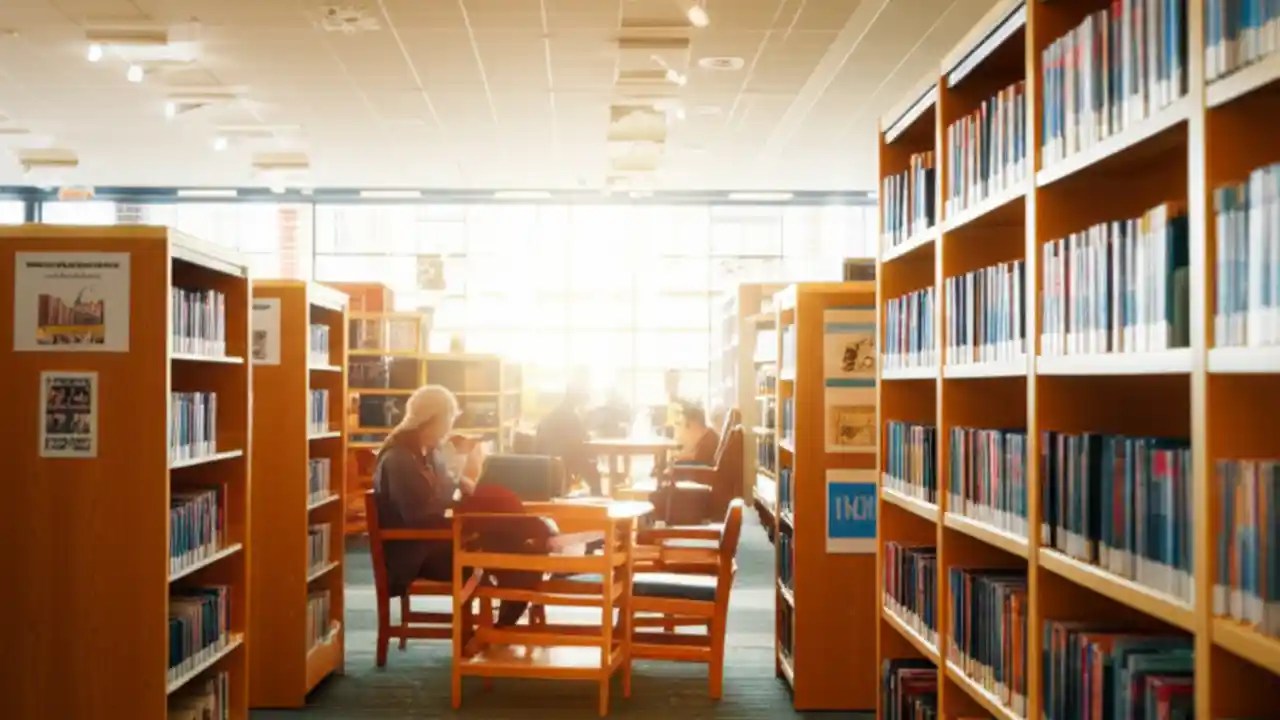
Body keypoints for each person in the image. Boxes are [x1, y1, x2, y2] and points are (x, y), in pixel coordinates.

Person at [372, 385, 481, 598]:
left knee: (489, 540)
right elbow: (416, 515)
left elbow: (446, 489)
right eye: (448, 421)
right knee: (483, 553)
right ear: (433, 420)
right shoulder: (398, 459)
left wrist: (461, 483)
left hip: (429, 544)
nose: (449, 429)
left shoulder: (430, 452)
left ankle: (513, 597)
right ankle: (510, 601)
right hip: (413, 555)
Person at [535, 383, 602, 495]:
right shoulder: (570, 415)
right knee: (594, 475)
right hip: (565, 456)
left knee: (585, 462)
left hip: (547, 456)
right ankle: (598, 501)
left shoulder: (555, 413)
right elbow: (583, 438)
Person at [673, 402, 720, 466]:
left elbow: (698, 460)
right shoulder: (707, 435)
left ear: (692, 424)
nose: (685, 430)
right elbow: (696, 456)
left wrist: (677, 457)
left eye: (685, 426)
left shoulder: (709, 439)